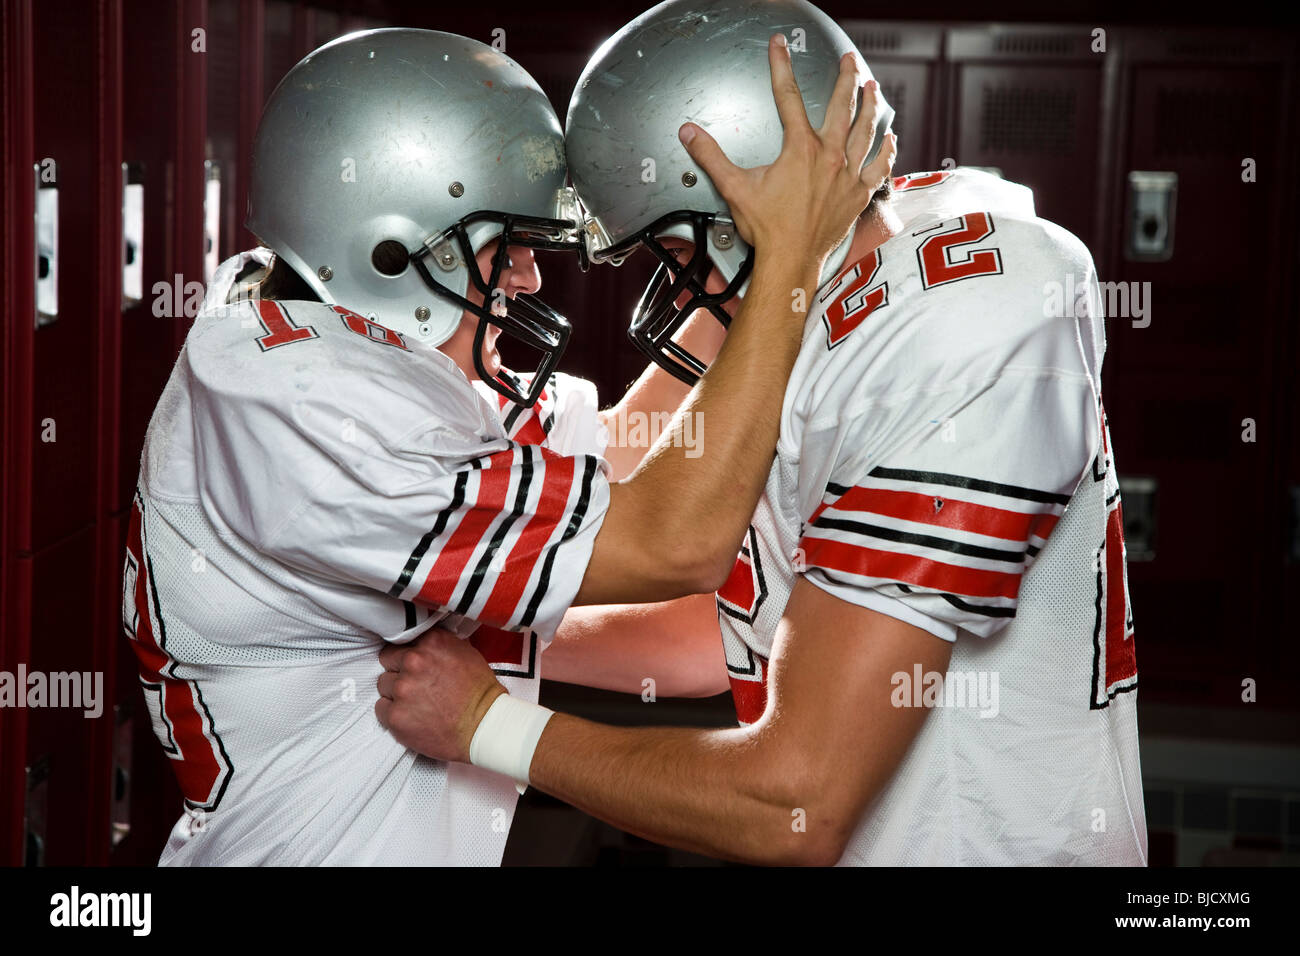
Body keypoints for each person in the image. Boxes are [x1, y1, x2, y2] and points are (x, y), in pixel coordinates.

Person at [375, 0, 1147, 866]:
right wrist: (497, 633)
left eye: (678, 256)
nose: (679, 294)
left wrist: (488, 723)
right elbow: (739, 628)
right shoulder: (846, 281)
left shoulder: (959, 334)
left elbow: (798, 802)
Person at [122, 25, 895, 864]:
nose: (526, 279)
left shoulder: (325, 347)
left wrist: (726, 268)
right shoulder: (309, 414)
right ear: (387, 251)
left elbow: (610, 474)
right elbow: (671, 541)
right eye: (507, 249)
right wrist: (786, 261)